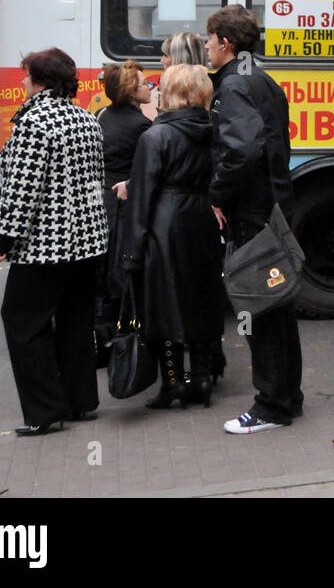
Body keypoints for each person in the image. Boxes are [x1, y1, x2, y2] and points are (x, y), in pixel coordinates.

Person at [0, 48, 108, 436]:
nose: (22, 83)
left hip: (44, 247)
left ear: (40, 81)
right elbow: (95, 185)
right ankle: (79, 400)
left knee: (23, 322)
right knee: (76, 322)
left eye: (26, 77)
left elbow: (23, 190)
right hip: (86, 244)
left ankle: (44, 411)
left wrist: (5, 239)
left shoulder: (34, 123)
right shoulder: (86, 120)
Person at [206, 5, 304, 434]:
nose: (206, 47)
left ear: (226, 43)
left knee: (258, 310)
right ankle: (287, 398)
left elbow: (241, 150)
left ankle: (271, 407)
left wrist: (217, 194)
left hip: (250, 213)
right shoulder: (263, 80)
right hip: (273, 208)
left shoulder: (233, 86)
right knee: (277, 306)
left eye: (209, 40)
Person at [121, 64, 226, 409]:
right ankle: (203, 378)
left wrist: (131, 253)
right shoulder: (211, 129)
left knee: (164, 305)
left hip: (165, 224)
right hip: (201, 219)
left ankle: (173, 383)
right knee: (200, 300)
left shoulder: (155, 136)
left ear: (173, 93)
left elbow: (142, 197)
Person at [95, 61, 154, 364]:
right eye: (145, 84)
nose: (149, 87)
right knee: (123, 275)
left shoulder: (101, 116)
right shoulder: (141, 126)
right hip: (124, 204)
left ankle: (100, 341)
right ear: (132, 90)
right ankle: (123, 341)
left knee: (103, 275)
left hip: (101, 200)